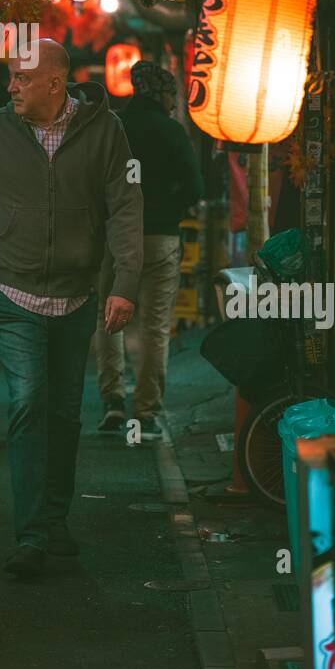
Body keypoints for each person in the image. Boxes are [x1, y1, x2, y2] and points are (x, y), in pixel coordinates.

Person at [0, 39, 143, 579]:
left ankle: (54, 519)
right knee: (29, 400)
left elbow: (126, 209)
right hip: (11, 297)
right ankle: (32, 533)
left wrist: (124, 283)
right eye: (11, 78)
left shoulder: (107, 132)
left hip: (77, 296)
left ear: (55, 84)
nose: (10, 86)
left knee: (64, 413)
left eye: (21, 78)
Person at [95, 61, 205, 440]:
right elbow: (194, 186)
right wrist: (167, 210)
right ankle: (146, 411)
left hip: (113, 237)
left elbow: (92, 182)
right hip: (160, 237)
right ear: (161, 94)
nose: (175, 102)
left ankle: (112, 401)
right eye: (172, 93)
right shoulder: (172, 133)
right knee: (155, 326)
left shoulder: (112, 127)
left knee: (108, 319)